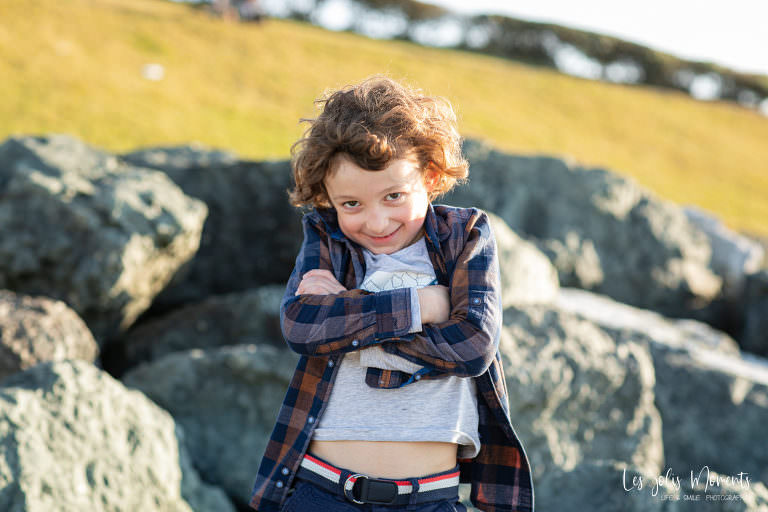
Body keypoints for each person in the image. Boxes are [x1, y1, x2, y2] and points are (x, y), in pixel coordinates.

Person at [249, 76, 533, 512]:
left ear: (431, 176)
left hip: (431, 498)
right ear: (328, 196)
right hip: (322, 493)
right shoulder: (328, 237)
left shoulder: (464, 236)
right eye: (352, 204)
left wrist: (349, 318)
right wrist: (423, 306)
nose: (376, 222)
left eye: (394, 196)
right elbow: (302, 327)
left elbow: (473, 346)